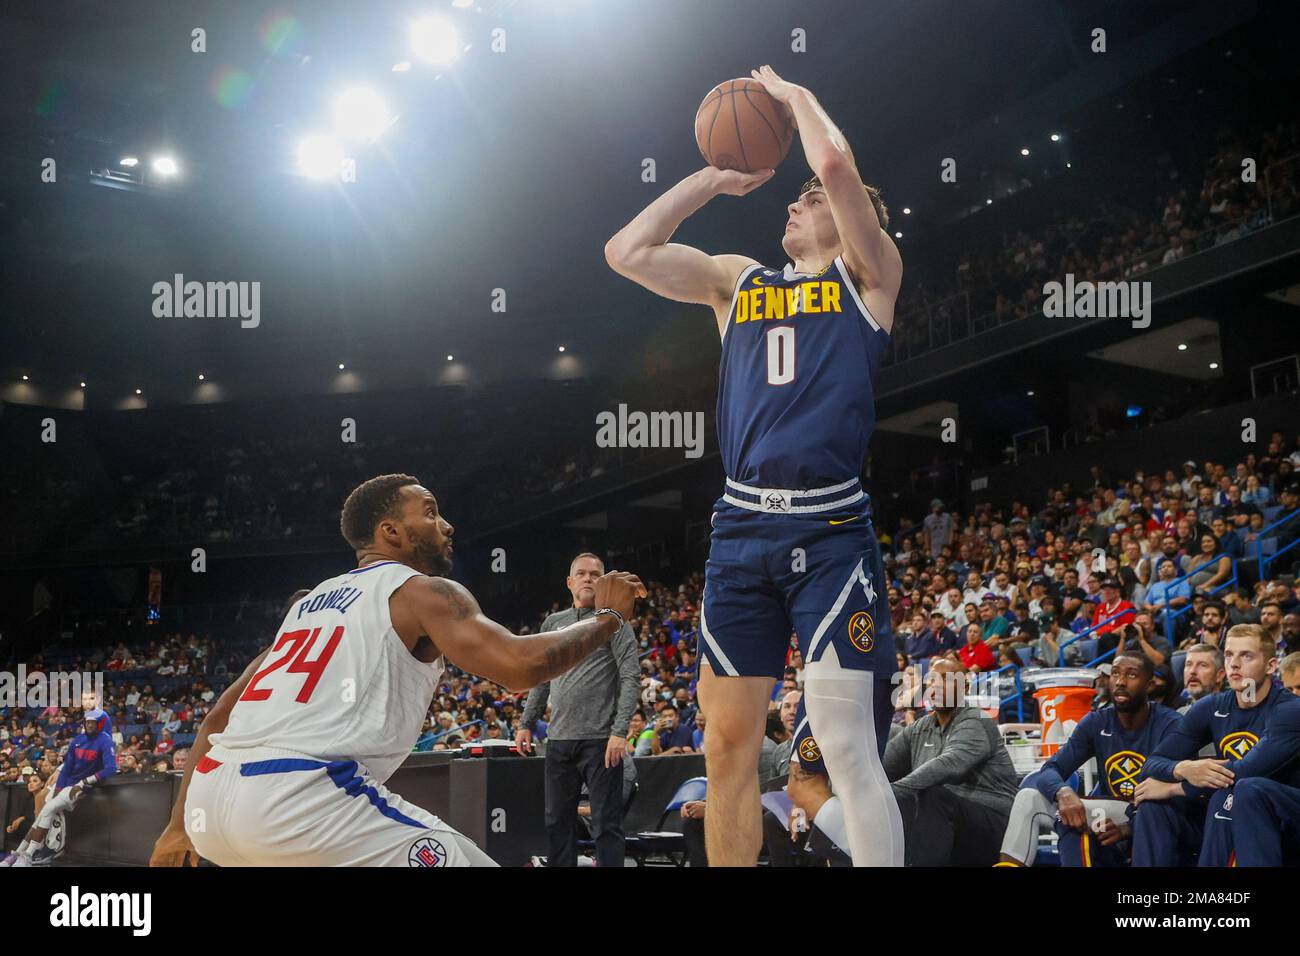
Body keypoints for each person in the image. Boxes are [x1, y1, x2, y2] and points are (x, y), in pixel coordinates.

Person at [605, 66, 904, 866]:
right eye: (793, 197)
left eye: (807, 201)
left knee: (845, 749)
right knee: (725, 752)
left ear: (854, 222)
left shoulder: (868, 278)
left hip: (832, 528)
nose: (796, 202)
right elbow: (626, 251)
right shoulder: (738, 282)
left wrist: (793, 96)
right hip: (741, 533)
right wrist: (711, 176)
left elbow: (837, 168)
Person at [153, 474, 644, 867]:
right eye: (430, 513)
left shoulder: (309, 604)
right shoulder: (422, 592)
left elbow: (218, 718)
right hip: (299, 797)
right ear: (390, 531)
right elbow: (520, 668)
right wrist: (610, 617)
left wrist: (177, 827)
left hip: (211, 807)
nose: (446, 525)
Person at [516, 552, 640, 869]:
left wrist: (619, 732)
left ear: (604, 583)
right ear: (570, 583)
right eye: (582, 574)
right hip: (559, 740)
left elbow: (630, 677)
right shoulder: (553, 623)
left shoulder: (614, 621)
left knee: (606, 824)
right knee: (557, 822)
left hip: (601, 741)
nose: (588, 578)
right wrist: (526, 723)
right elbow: (541, 676)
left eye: (595, 574)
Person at [997, 653, 1180, 866]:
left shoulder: (1171, 725)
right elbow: (1050, 769)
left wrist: (1131, 826)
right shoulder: (1096, 721)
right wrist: (1062, 792)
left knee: (1077, 813)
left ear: (1150, 685)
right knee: (1028, 798)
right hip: (1107, 812)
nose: (1120, 682)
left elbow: (1180, 795)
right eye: (1115, 673)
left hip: (1151, 814)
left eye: (1131, 675)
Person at [1131, 625, 1288, 867]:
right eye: (1228, 655)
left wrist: (1176, 787)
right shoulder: (1210, 706)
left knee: (1238, 791)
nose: (1234, 664)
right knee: (1154, 806)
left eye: (1246, 656)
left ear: (1270, 666)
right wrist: (1183, 769)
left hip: (1284, 813)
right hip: (1230, 808)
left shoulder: (1289, 710)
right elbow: (1152, 763)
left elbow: (1246, 771)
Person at [12, 709, 116, 867]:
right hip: (67, 783)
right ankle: (21, 853)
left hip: (81, 786)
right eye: (87, 721)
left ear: (99, 724)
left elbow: (111, 768)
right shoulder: (77, 740)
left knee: (47, 810)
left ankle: (28, 854)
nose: (88, 725)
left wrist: (85, 781)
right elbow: (67, 767)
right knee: (42, 815)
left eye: (92, 722)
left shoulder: (105, 740)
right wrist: (59, 788)